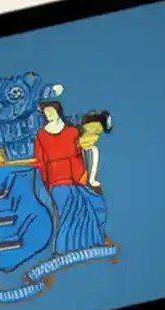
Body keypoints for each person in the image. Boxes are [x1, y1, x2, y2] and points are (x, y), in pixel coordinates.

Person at [32, 101, 112, 254]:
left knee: (93, 204)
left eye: (50, 111)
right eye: (46, 112)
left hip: (76, 178)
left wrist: (91, 177)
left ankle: (94, 241)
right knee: (67, 213)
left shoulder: (72, 132)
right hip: (56, 180)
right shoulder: (41, 136)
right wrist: (46, 182)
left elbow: (88, 150)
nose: (48, 115)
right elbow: (40, 161)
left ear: (58, 112)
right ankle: (65, 249)